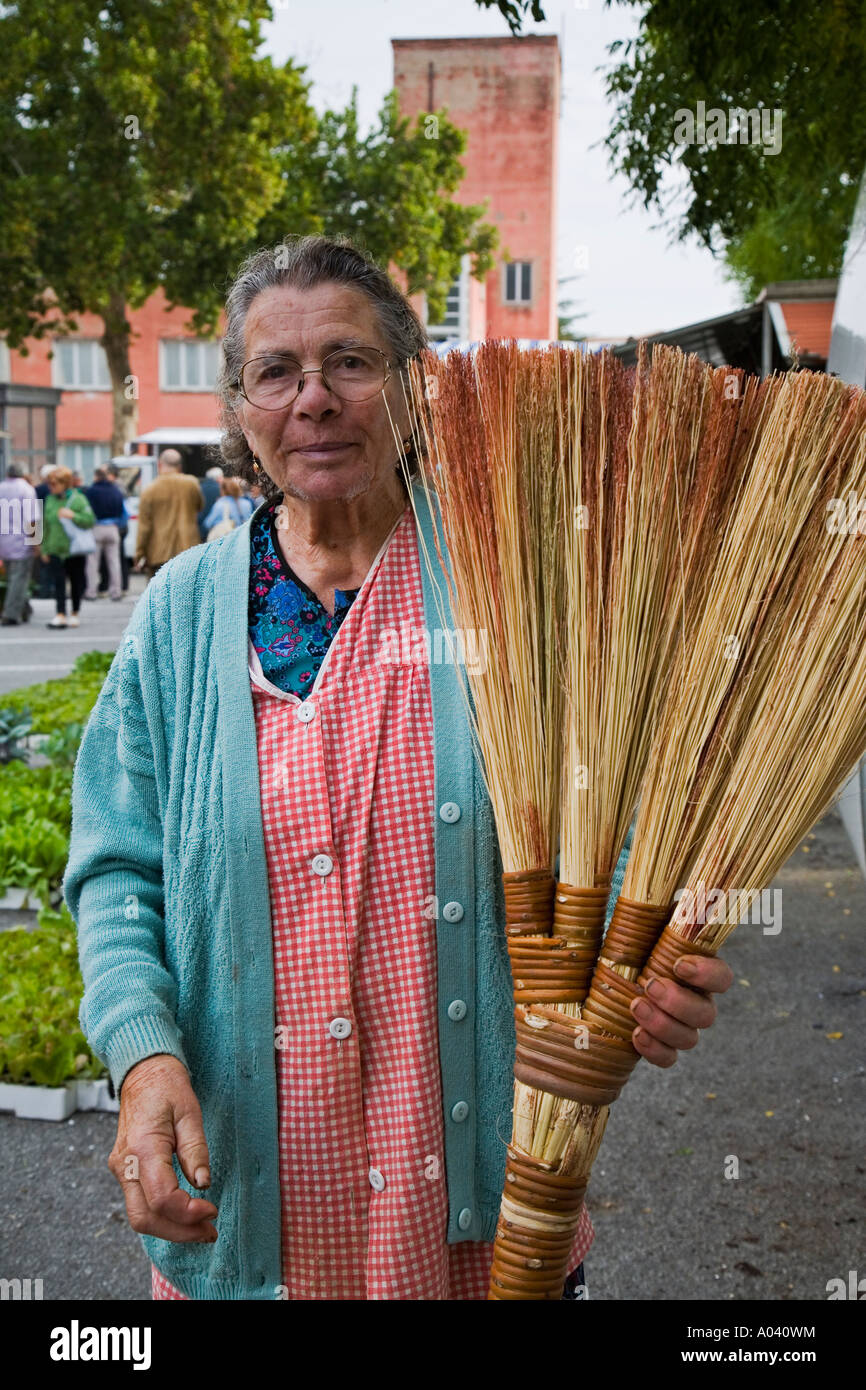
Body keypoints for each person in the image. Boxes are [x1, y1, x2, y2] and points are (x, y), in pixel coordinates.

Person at [63, 234, 733, 1302]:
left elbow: (609, 818)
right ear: (240, 407)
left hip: (475, 1233)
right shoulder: (182, 619)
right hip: (248, 1221)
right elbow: (116, 872)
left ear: (413, 389)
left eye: (350, 362)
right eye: (275, 372)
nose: (313, 398)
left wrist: (647, 959)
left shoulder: (507, 589)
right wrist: (142, 1055)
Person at [133, 449, 204, 580]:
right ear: (180, 466)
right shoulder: (192, 484)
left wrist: (139, 553)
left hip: (158, 552)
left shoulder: (150, 489)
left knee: (157, 597)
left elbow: (144, 527)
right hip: (188, 549)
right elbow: (199, 507)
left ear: (160, 465)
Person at [39, 466, 96, 628]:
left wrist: (73, 516)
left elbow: (90, 520)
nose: (51, 487)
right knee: (58, 582)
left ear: (65, 483)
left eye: (54, 483)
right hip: (55, 548)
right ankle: (60, 613)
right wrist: (44, 548)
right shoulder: (50, 499)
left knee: (76, 582)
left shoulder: (78, 499)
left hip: (74, 549)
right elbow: (45, 524)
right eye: (49, 483)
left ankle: (75, 612)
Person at [0, 465, 37, 625]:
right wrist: (36, 542)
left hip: (3, 542)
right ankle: (11, 614)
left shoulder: (1, 488)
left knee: (13, 579)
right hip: (21, 542)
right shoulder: (27, 489)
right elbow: (32, 519)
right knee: (19, 579)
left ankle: (24, 608)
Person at [83, 466, 126, 601]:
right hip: (113, 528)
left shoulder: (91, 492)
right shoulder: (116, 491)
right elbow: (121, 511)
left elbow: (87, 511)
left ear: (96, 477)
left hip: (96, 528)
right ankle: (116, 592)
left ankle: (91, 592)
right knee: (114, 562)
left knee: (92, 562)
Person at [196, 466, 224, 541]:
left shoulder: (199, 488)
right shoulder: (221, 490)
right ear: (218, 478)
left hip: (199, 528)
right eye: (222, 477)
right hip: (215, 531)